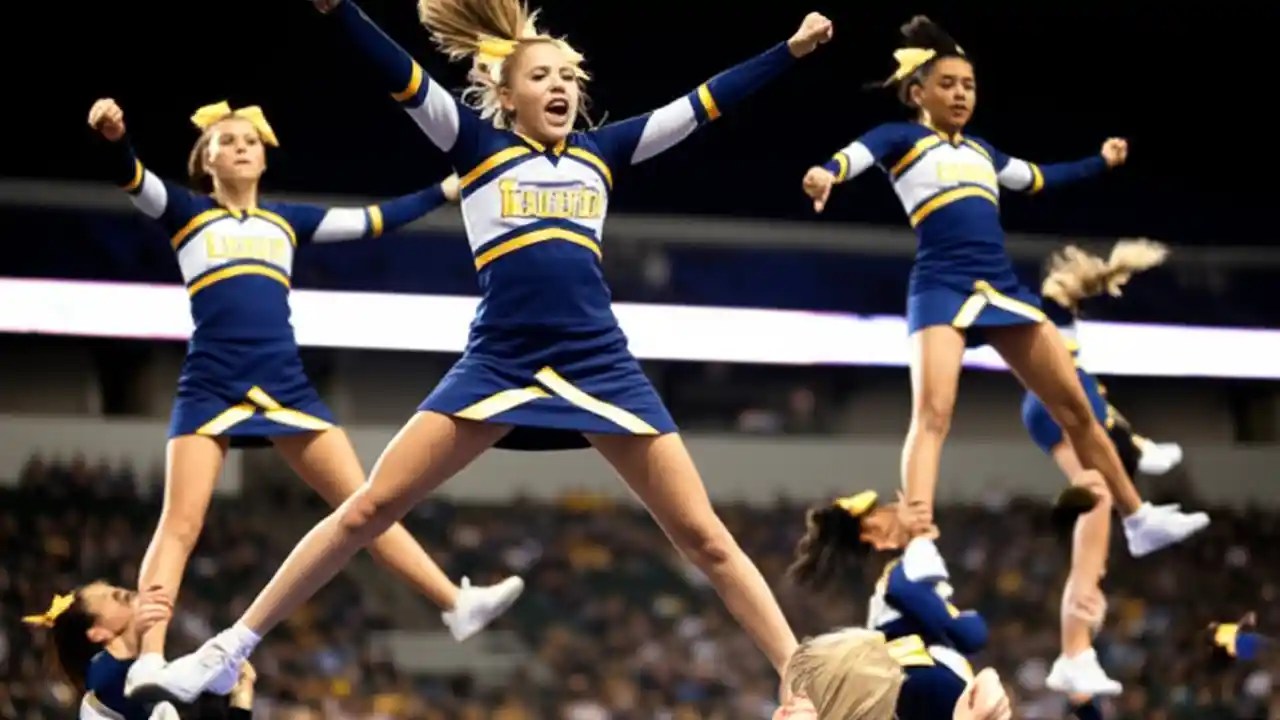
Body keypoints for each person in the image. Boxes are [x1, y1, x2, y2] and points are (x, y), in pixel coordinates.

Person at [130, 0, 834, 702]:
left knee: (705, 538)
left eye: (568, 76)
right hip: (500, 360)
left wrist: (791, 50)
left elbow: (704, 103)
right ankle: (230, 647)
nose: (560, 87)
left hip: (599, 362)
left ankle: (798, 682)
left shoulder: (604, 153)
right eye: (540, 76)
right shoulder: (477, 150)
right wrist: (339, 10)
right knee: (367, 508)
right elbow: (402, 76)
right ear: (505, 93)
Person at [85, 98, 525, 696]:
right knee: (180, 524)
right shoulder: (189, 214)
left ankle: (454, 603)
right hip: (212, 381)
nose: (239, 146)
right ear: (204, 160)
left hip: (285, 381)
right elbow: (135, 182)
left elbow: (373, 220)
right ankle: (151, 659)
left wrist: (444, 191)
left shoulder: (285, 221)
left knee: (367, 501)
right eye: (226, 140)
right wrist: (116, 140)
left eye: (249, 140)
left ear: (264, 159)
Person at [799, 13, 1207, 619]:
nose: (962, 92)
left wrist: (1099, 161)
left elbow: (1042, 178)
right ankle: (918, 543)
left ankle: (1138, 517)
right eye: (948, 83)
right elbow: (850, 157)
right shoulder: (900, 139)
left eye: (968, 84)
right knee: (932, 415)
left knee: (1077, 409)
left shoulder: (986, 153)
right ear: (918, 93)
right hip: (940, 286)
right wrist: (825, 174)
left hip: (1004, 288)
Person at [1021, 237, 1202, 694]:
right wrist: (1110, 271)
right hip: (1058, 402)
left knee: (1097, 492)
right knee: (1098, 489)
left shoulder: (1064, 330)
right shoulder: (1051, 310)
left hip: (1054, 404)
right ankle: (1077, 642)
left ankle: (1077, 642)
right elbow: (1060, 292)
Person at [781, 491, 1104, 719]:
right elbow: (969, 635)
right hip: (914, 677)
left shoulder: (906, 578)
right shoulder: (902, 577)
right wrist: (968, 621)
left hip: (905, 679)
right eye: (890, 508)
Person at [22, 582, 256, 719]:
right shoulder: (104, 678)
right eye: (116, 597)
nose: (125, 592)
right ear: (99, 633)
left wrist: (241, 699)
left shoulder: (147, 690)